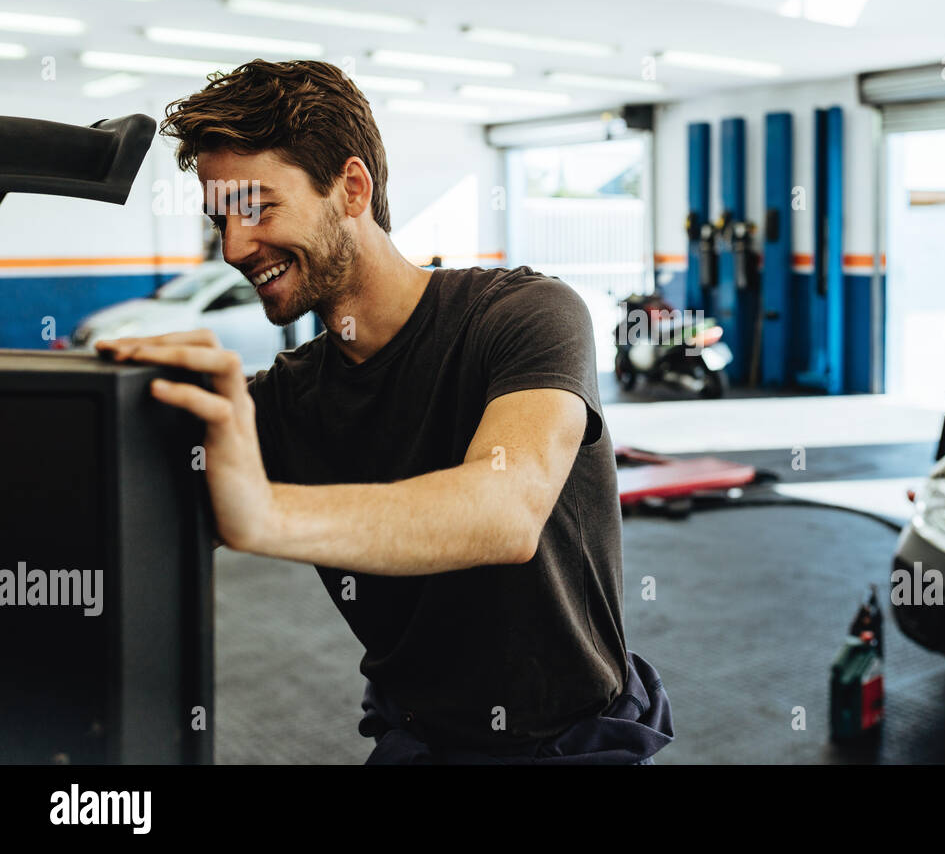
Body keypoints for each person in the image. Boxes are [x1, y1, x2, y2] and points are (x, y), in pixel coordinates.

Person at [95, 59, 671, 764]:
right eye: (222, 220)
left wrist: (267, 514)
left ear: (352, 188)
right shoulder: (279, 403)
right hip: (417, 741)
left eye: (259, 207)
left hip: (572, 743)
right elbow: (117, 517)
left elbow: (506, 511)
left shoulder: (524, 316)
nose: (236, 247)